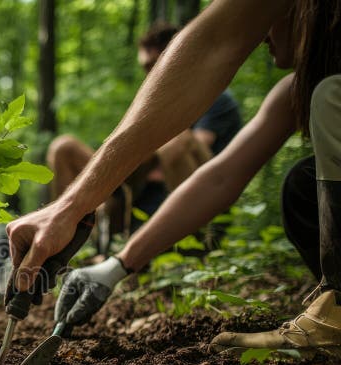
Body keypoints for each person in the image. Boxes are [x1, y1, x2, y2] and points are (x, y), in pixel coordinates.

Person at [8, 0, 341, 356]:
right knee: (301, 187)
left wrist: (70, 208)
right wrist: (116, 266)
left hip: (180, 195)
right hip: (152, 200)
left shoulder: (316, 94)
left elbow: (213, 44)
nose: (262, 36)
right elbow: (220, 177)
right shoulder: (295, 91)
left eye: (271, 19)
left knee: (329, 98)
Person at [46, 21, 241, 254]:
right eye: (145, 68)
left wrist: (128, 164)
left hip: (199, 190)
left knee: (176, 140)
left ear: (177, 57)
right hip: (143, 192)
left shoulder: (215, 96)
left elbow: (188, 151)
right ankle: (69, 249)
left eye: (153, 65)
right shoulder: (153, 103)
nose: (149, 75)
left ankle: (194, 250)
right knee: (63, 148)